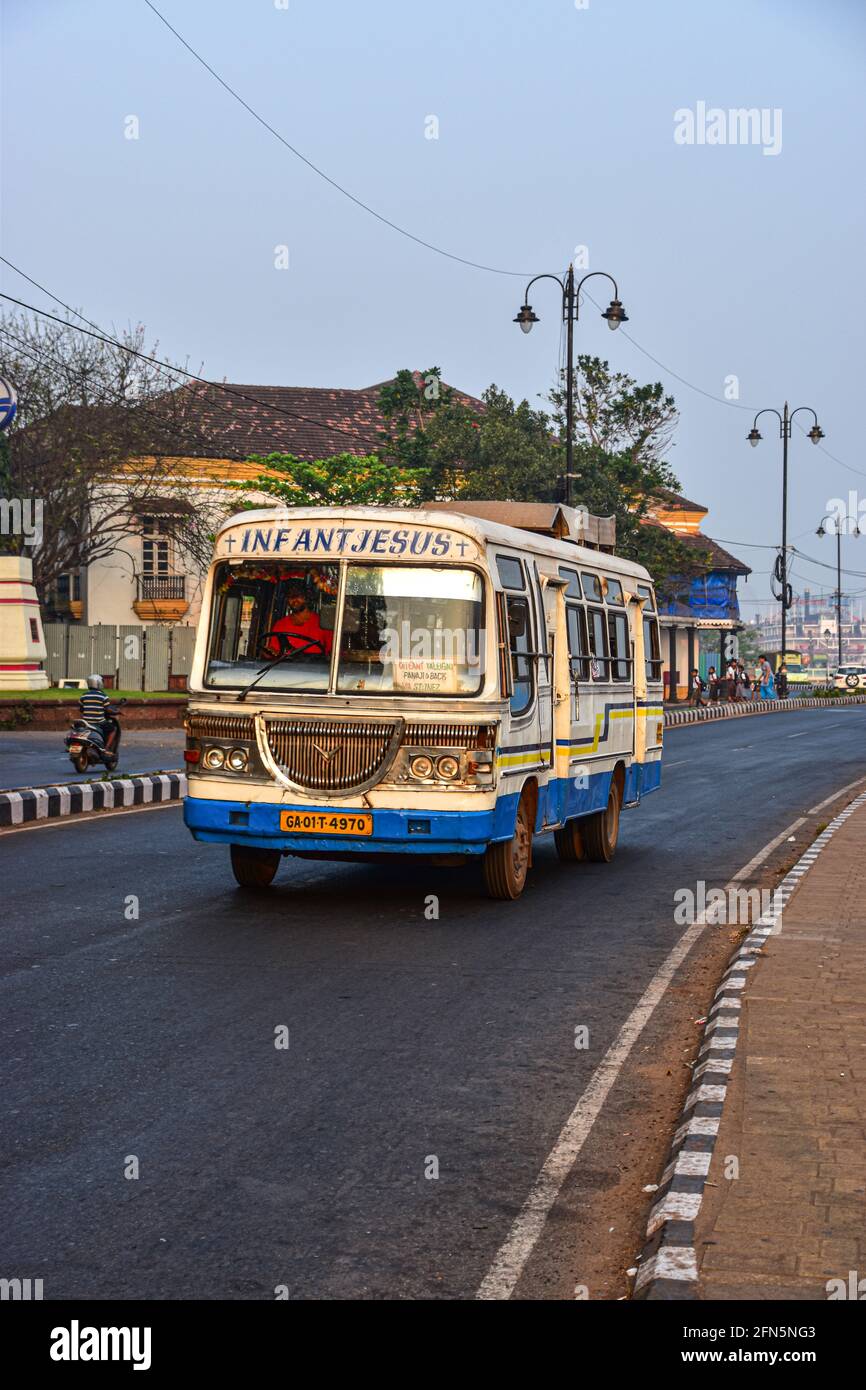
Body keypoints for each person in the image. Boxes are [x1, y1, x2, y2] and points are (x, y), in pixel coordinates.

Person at [268, 580, 333, 657]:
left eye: (298, 596)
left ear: (307, 598)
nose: (294, 600)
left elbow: (332, 653)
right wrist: (268, 653)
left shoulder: (323, 623)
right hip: (287, 667)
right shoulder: (280, 625)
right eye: (290, 597)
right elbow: (273, 651)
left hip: (314, 667)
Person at [78, 674, 121, 753]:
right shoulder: (103, 696)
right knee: (113, 729)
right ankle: (107, 748)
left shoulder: (83, 695)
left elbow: (81, 709)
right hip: (99, 722)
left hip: (86, 722)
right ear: (98, 683)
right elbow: (107, 710)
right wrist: (117, 712)